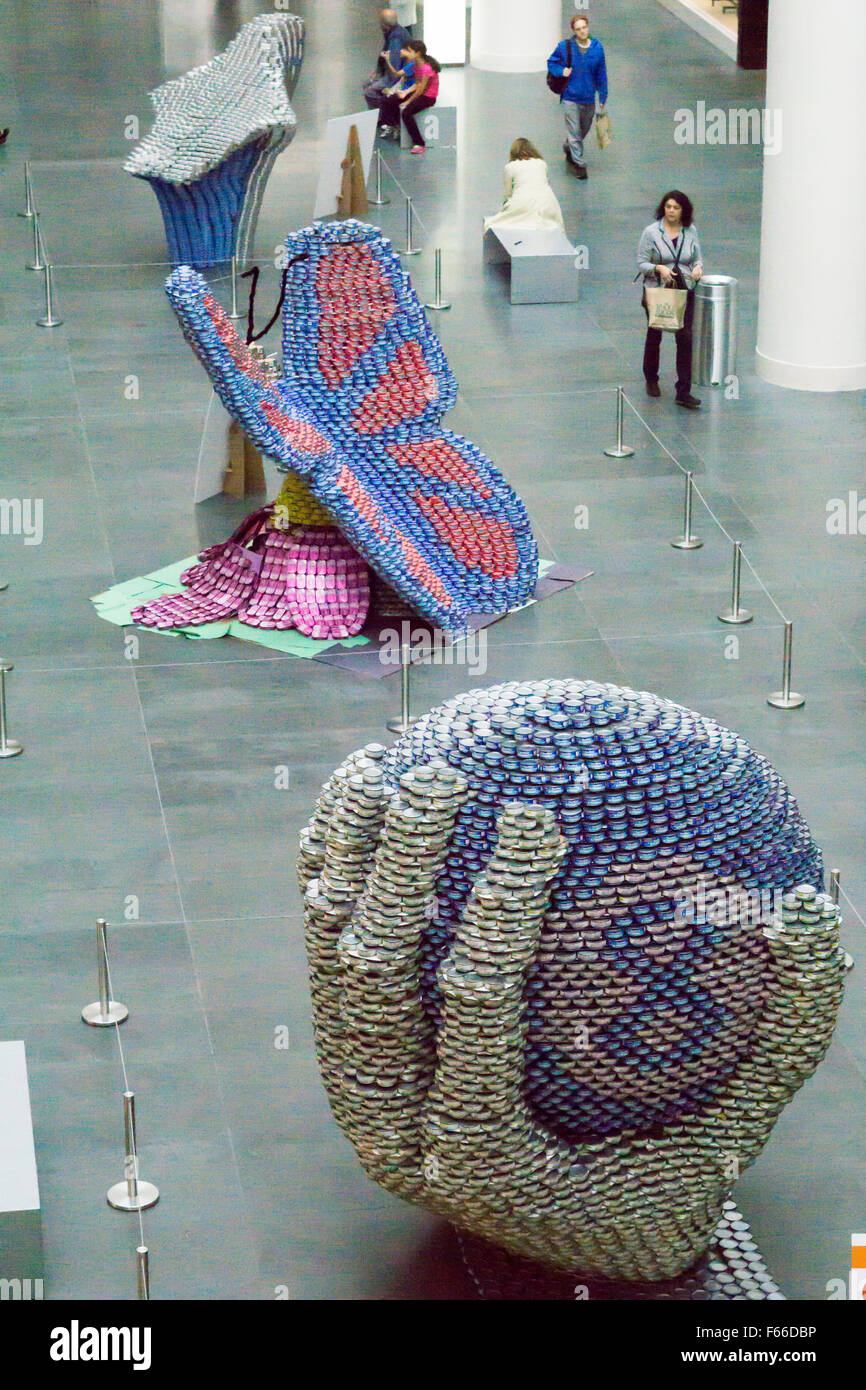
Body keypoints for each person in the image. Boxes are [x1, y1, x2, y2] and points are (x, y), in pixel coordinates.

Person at [637, 190, 704, 409]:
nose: (671, 211)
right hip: (658, 289)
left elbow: (696, 258)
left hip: (684, 287)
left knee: (685, 337)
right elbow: (642, 263)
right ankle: (651, 378)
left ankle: (683, 390)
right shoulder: (651, 232)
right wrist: (659, 268)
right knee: (655, 332)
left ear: (683, 210)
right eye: (668, 207)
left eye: (675, 208)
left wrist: (697, 269)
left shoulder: (690, 231)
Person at [547, 13, 608, 181]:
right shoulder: (565, 47)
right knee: (574, 131)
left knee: (583, 129)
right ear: (574, 31)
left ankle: (569, 146)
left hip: (588, 98)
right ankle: (580, 164)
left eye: (584, 27)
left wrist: (603, 95)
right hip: (570, 98)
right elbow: (551, 62)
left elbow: (601, 73)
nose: (582, 31)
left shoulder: (597, 47)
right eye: (578, 29)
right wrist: (561, 71)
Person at [483, 139, 564, 233]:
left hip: (522, 202)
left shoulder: (510, 167)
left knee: (493, 223)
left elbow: (508, 194)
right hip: (548, 203)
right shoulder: (542, 163)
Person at [379, 39, 440, 154]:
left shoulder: (426, 68)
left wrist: (407, 102)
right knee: (390, 100)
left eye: (409, 51)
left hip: (428, 97)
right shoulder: (416, 65)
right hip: (420, 92)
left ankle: (419, 143)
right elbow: (417, 85)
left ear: (418, 53)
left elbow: (421, 90)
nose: (405, 53)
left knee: (406, 113)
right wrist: (405, 92)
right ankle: (396, 125)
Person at [363, 8, 411, 119]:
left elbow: (394, 68)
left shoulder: (395, 39)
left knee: (370, 92)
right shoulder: (396, 31)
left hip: (398, 76)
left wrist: (390, 88)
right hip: (393, 72)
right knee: (367, 84)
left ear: (385, 25)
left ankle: (383, 118)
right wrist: (378, 71)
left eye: (381, 22)